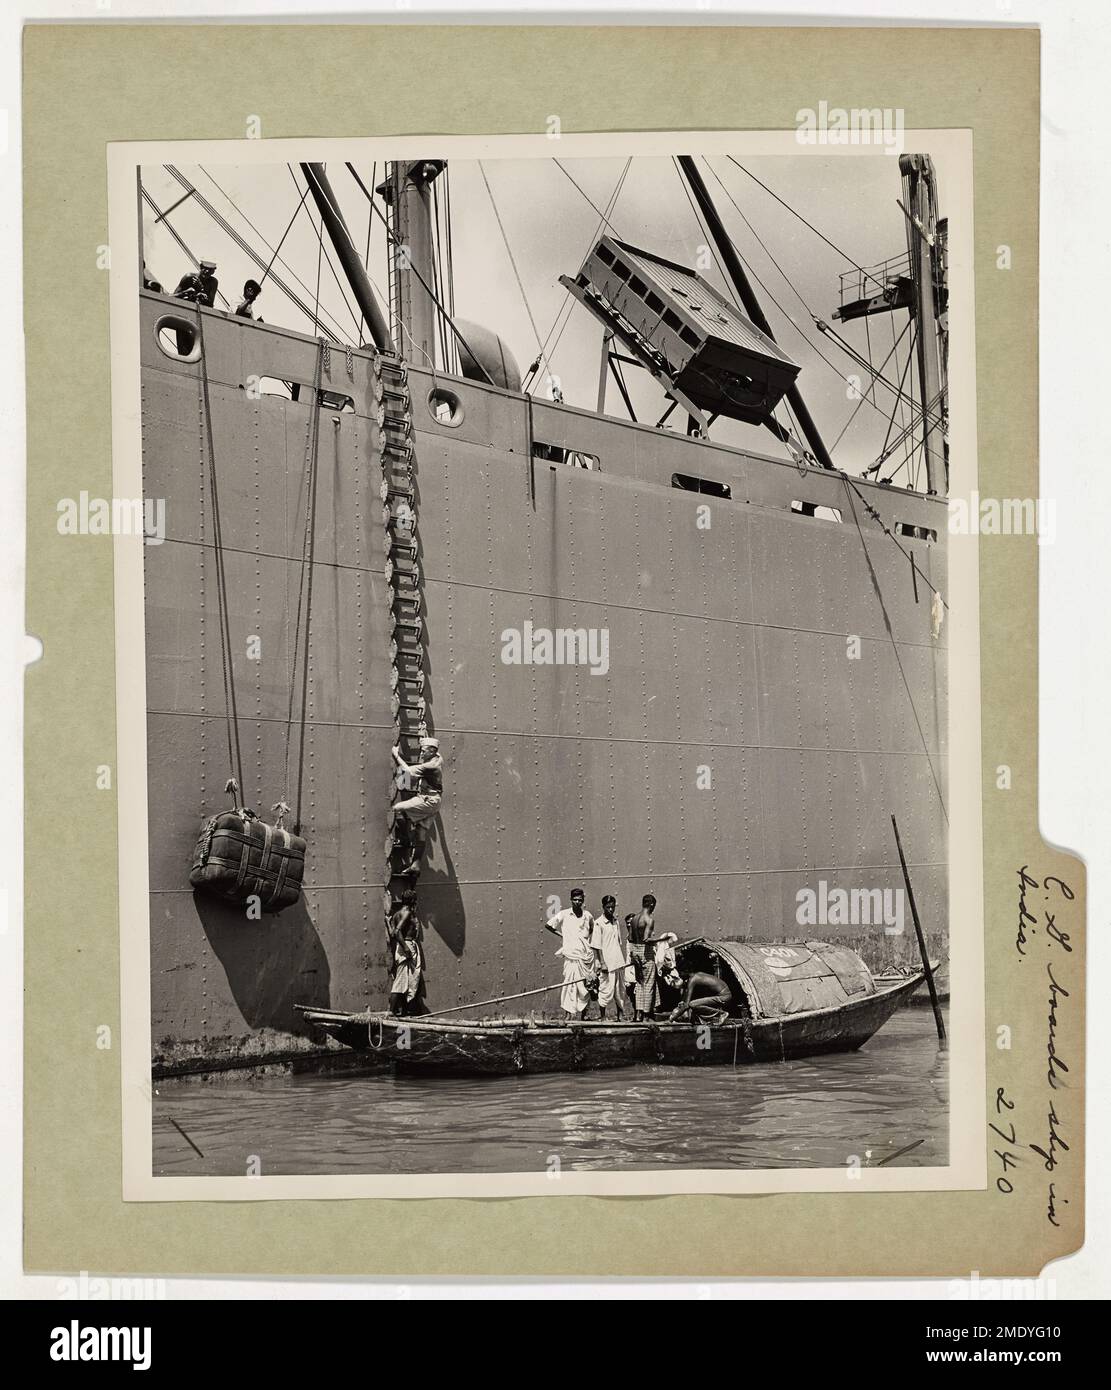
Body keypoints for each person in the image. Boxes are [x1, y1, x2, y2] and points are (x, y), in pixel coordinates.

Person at [389, 736, 443, 874]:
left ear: (432, 751)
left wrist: (396, 755)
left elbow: (408, 771)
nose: (421, 753)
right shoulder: (437, 758)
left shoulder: (430, 766)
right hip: (435, 800)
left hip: (428, 800)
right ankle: (415, 865)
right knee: (421, 832)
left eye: (424, 751)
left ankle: (404, 839)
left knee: (397, 809)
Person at [544, 888, 596, 1019]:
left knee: (586, 986)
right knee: (569, 986)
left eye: (580, 900)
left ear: (583, 901)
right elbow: (549, 925)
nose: (578, 902)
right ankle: (568, 1015)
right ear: (571, 900)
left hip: (585, 957)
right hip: (571, 957)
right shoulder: (564, 914)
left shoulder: (588, 915)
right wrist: (563, 936)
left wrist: (583, 941)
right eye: (575, 900)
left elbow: (592, 930)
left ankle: (584, 1015)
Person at [590, 895, 631, 1021]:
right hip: (607, 963)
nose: (611, 910)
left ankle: (620, 1016)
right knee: (605, 990)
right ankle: (603, 1017)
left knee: (620, 991)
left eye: (612, 907)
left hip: (618, 961)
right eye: (608, 907)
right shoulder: (598, 923)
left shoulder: (616, 921)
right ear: (603, 907)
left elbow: (617, 942)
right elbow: (596, 946)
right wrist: (602, 963)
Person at [386, 889, 423, 1016]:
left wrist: (389, 923)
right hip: (407, 945)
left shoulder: (397, 914)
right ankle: (391, 1012)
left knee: (404, 980)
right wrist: (406, 948)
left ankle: (403, 1011)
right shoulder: (407, 912)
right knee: (402, 980)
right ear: (412, 900)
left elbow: (392, 933)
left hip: (402, 946)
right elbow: (397, 931)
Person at [627, 893, 660, 1021]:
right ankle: (646, 1016)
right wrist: (662, 939)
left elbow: (630, 938)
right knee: (649, 984)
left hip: (635, 951)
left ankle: (639, 1013)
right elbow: (647, 939)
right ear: (651, 904)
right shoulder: (649, 919)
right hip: (646, 952)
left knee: (640, 984)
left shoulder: (634, 919)